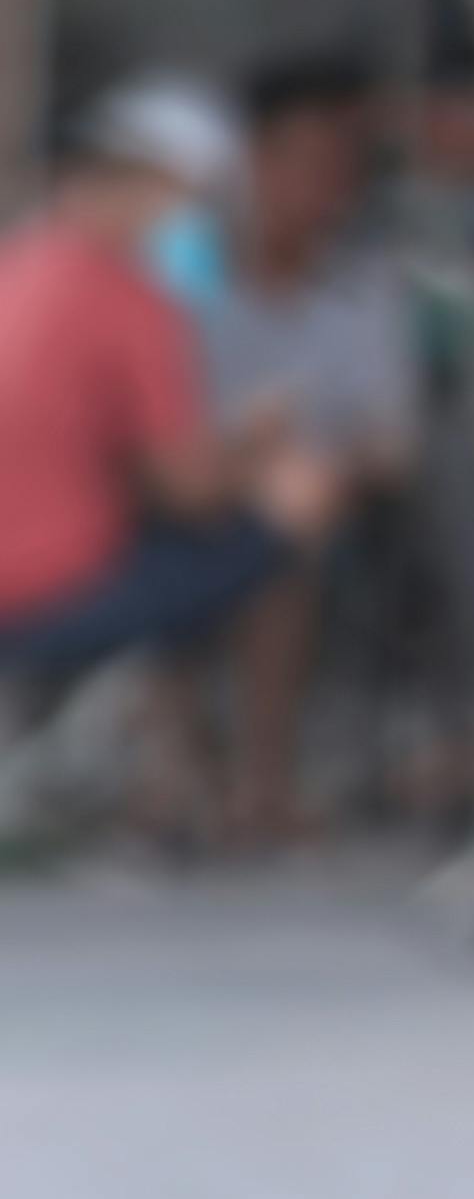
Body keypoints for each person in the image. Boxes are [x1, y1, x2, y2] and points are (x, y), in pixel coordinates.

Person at [0, 80, 341, 751]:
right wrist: (256, 450)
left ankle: (181, 781)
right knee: (301, 494)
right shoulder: (128, 298)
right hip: (43, 592)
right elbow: (188, 491)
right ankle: (250, 777)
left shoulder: (21, 265)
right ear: (162, 186)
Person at [197, 52, 422, 843]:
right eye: (297, 164)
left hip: (332, 511)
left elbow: (392, 441)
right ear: (251, 166)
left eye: (335, 168)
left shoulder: (366, 291)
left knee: (282, 537)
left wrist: (312, 461)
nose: (318, 187)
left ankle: (261, 783)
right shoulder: (193, 283)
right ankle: (184, 776)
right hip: (200, 490)